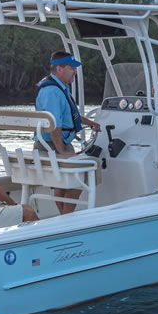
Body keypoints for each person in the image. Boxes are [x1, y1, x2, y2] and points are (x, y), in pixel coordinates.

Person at [34, 50, 101, 214]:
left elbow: (70, 115)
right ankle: (67, 217)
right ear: (59, 69)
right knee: (81, 177)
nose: (75, 72)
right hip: (52, 145)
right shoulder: (53, 92)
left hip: (55, 143)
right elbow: (54, 125)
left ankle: (65, 216)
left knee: (62, 183)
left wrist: (90, 123)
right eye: (72, 68)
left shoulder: (59, 88)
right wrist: (62, 150)